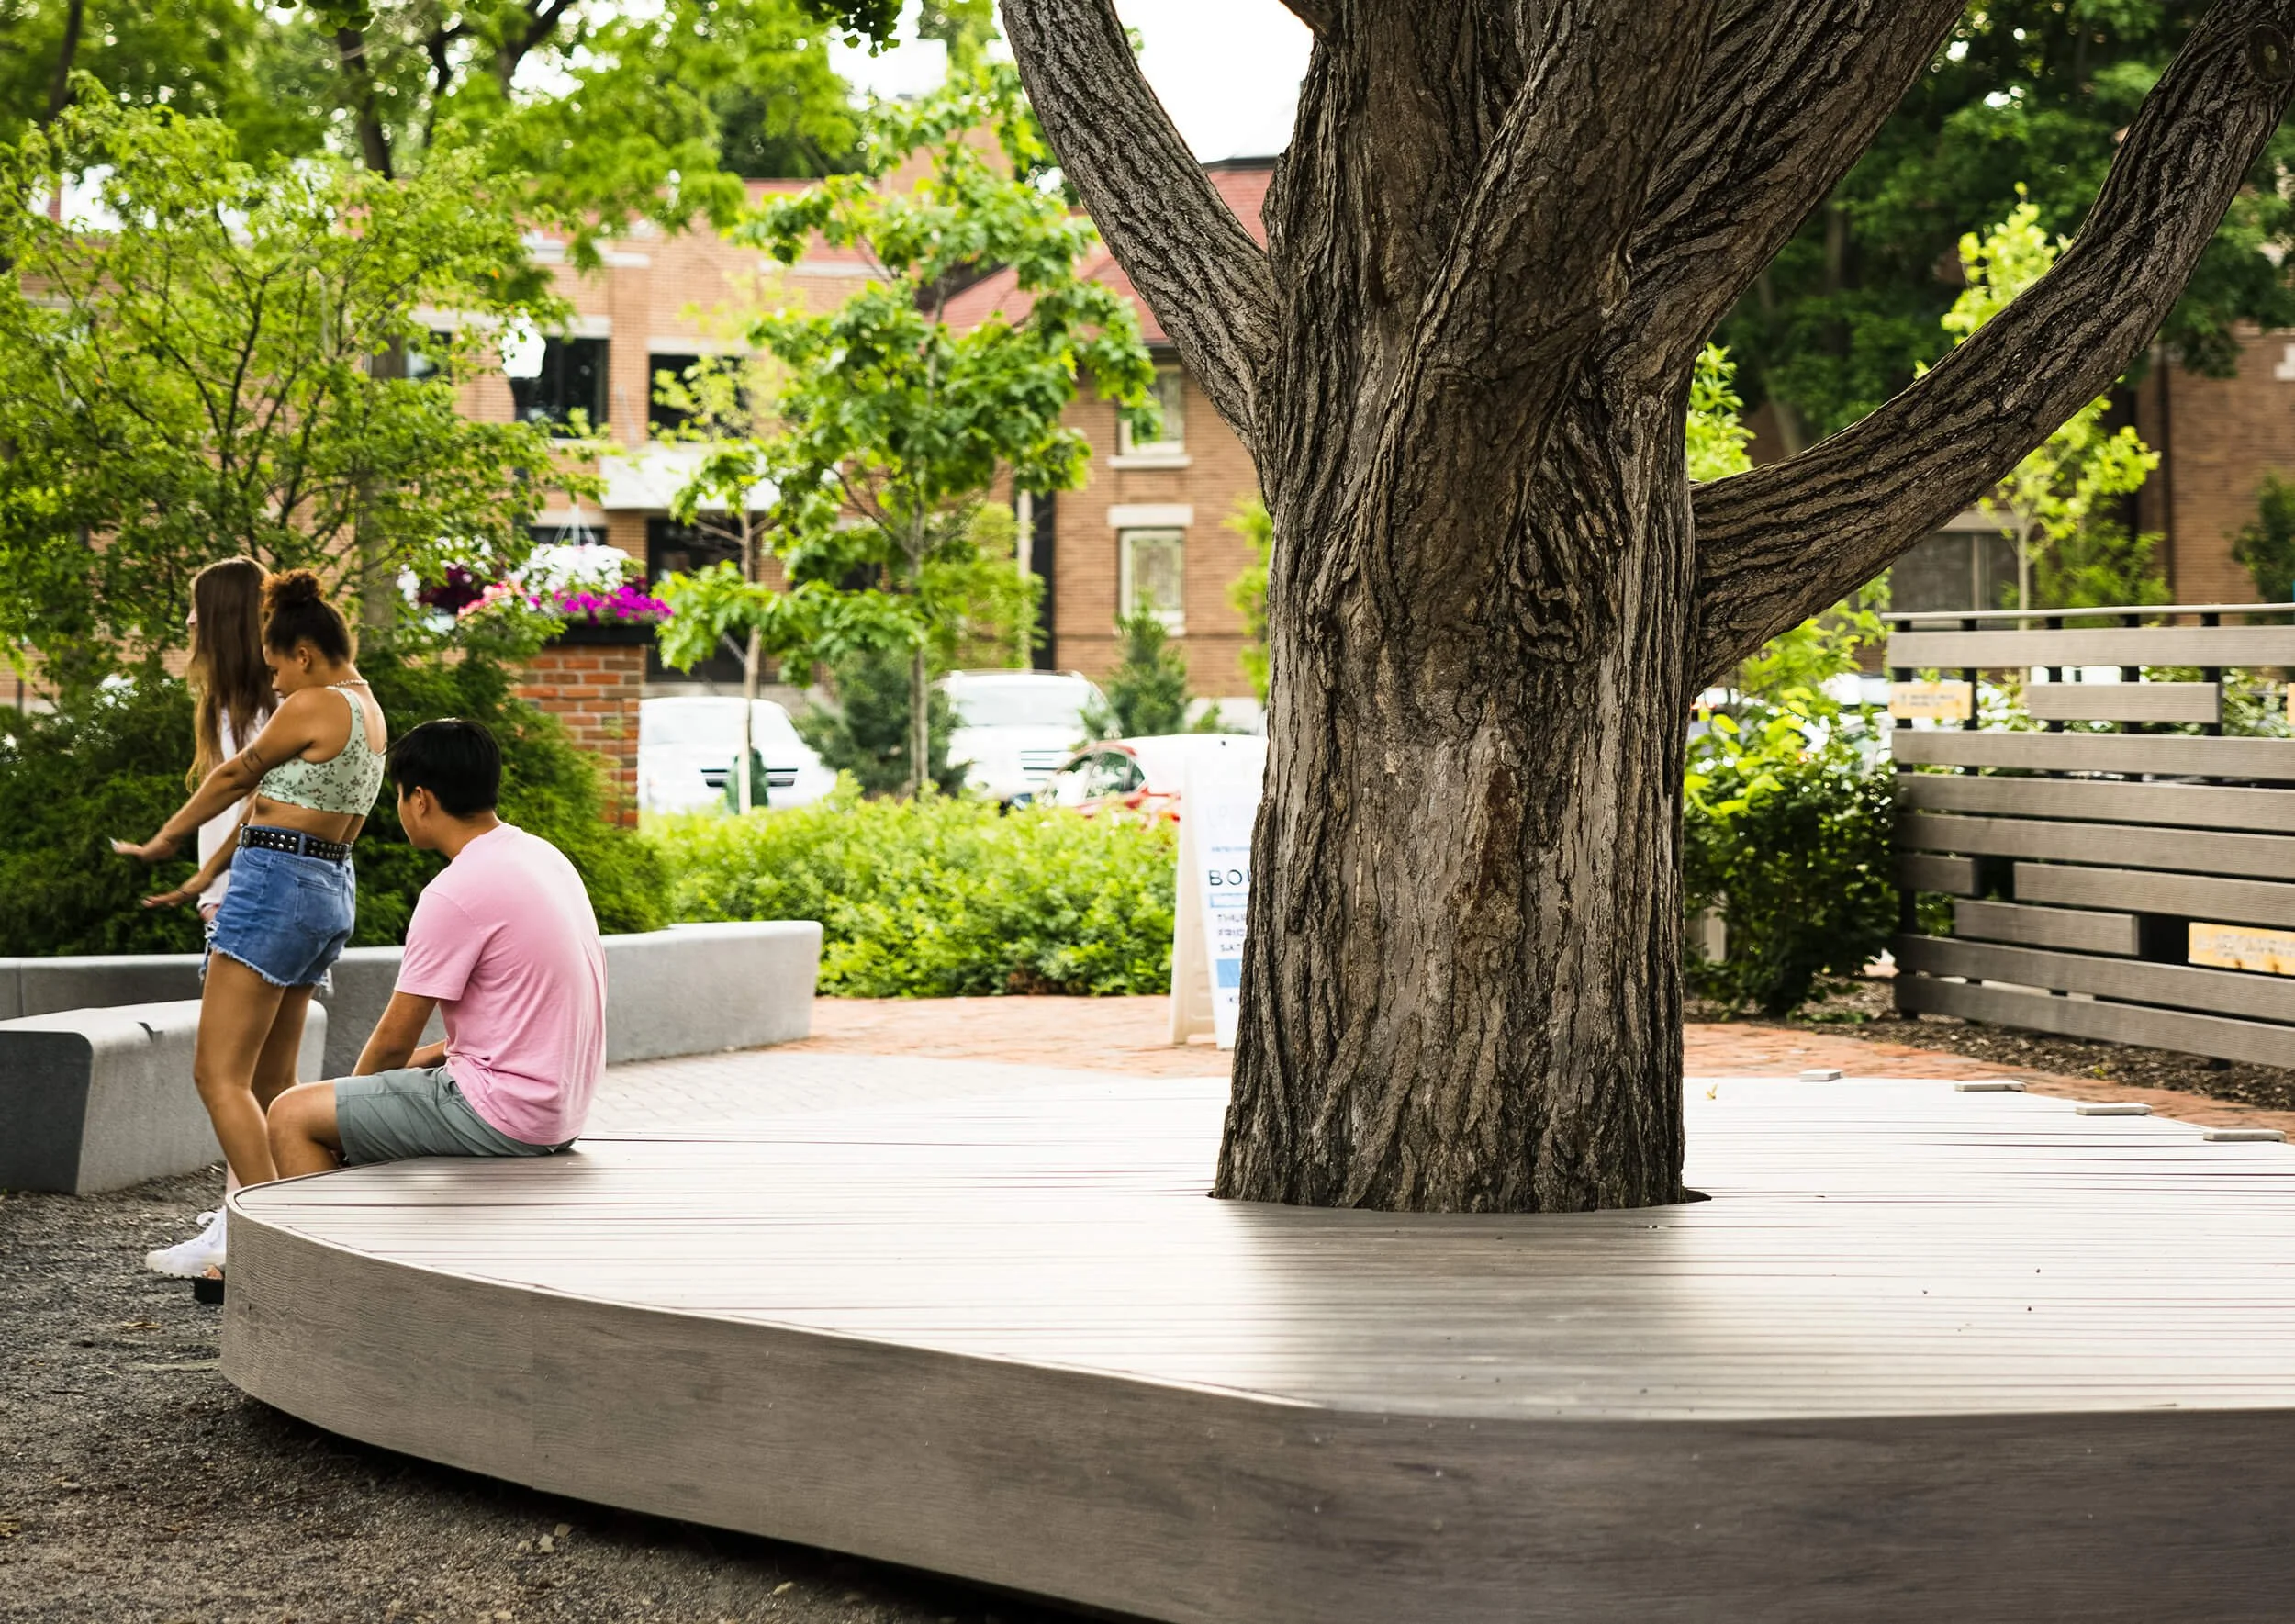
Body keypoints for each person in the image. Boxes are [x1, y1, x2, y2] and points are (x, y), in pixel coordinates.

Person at [116, 569, 387, 1274]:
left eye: (276, 668)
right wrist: (207, 875)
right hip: (324, 885)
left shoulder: (316, 701)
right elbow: (276, 802)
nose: (274, 686)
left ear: (302, 653)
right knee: (274, 1084)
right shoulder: (367, 708)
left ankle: (271, 1243)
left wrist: (164, 839)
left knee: (217, 1075)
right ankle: (312, 1227)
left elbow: (236, 777)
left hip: (277, 888)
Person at [267, 719, 607, 1176]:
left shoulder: (455, 891)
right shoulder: (544, 857)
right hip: (560, 1111)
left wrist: (345, 1112)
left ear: (420, 799)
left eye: (400, 795)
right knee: (362, 1094)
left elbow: (392, 1041)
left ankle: (326, 1245)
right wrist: (400, 1074)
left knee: (293, 1113)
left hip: (504, 1113)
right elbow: (513, 1026)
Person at [138, 557, 274, 1276]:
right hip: (267, 890)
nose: (188, 622)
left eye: (195, 609)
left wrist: (204, 876)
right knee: (263, 1083)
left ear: (220, 617)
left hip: (247, 891)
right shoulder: (253, 699)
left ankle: (250, 1229)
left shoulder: (252, 708)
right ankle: (240, 1219)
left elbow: (249, 801)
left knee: (225, 1077)